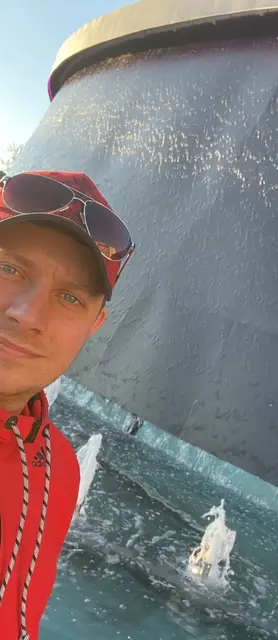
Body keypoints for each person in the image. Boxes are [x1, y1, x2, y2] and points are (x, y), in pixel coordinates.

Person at [0, 170, 135, 639]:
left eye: (70, 297)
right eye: (9, 269)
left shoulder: (58, 466)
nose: (28, 315)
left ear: (95, 323)